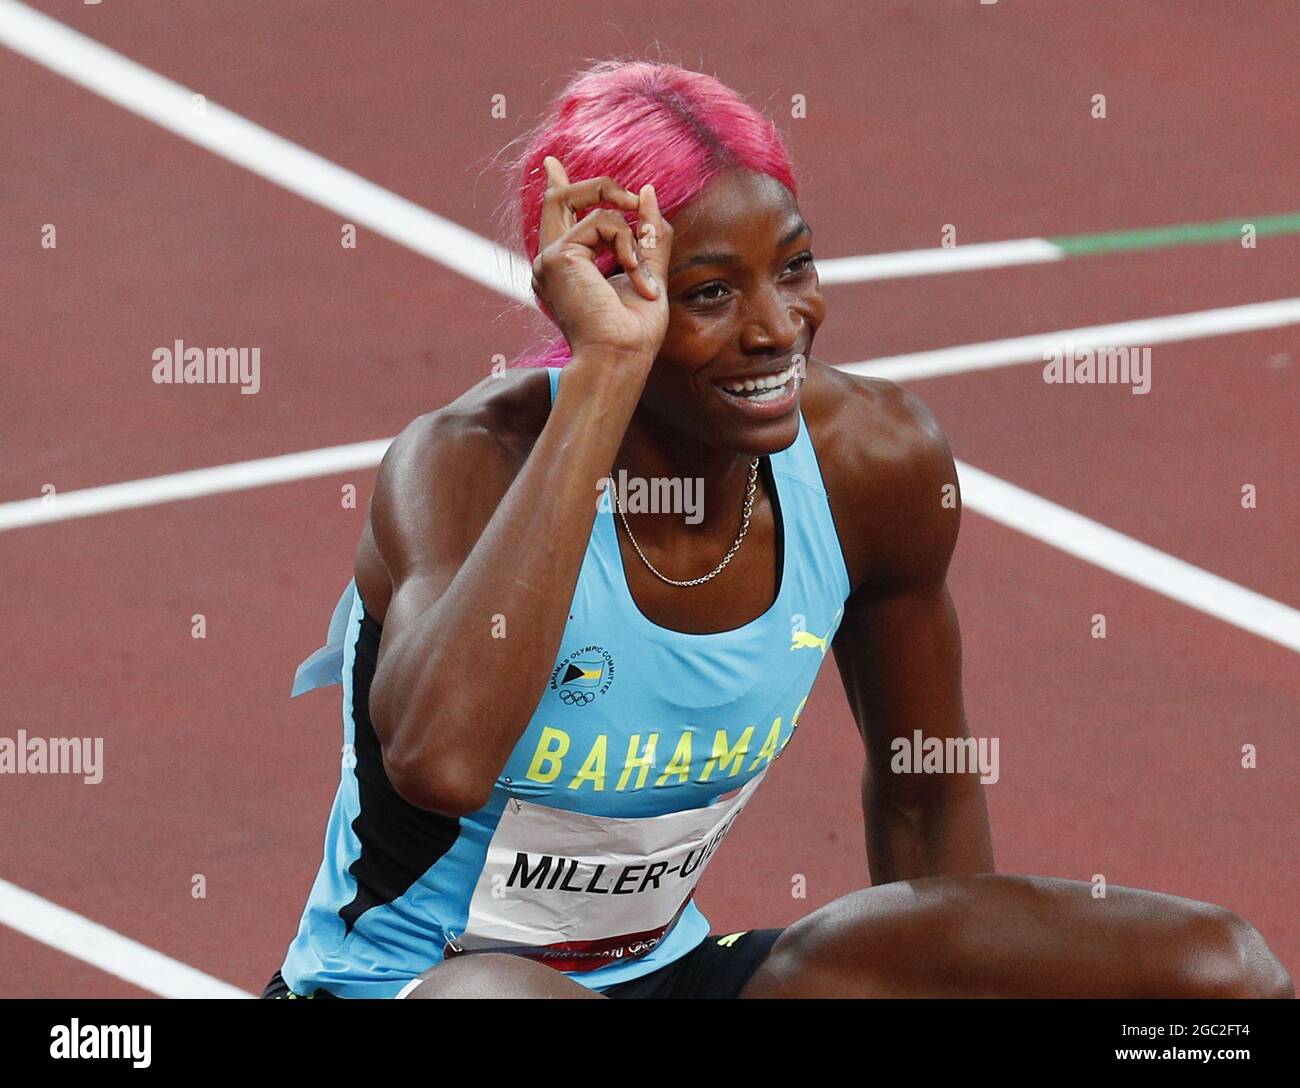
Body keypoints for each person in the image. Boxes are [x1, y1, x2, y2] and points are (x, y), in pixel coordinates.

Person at [263, 60, 1291, 1000]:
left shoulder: (872, 463)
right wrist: (606, 375)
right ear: (607, 288)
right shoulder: (464, 466)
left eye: (792, 268)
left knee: (1218, 973)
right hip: (404, 986)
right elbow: (442, 763)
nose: (774, 328)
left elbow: (923, 796)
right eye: (711, 292)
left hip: (669, 975)